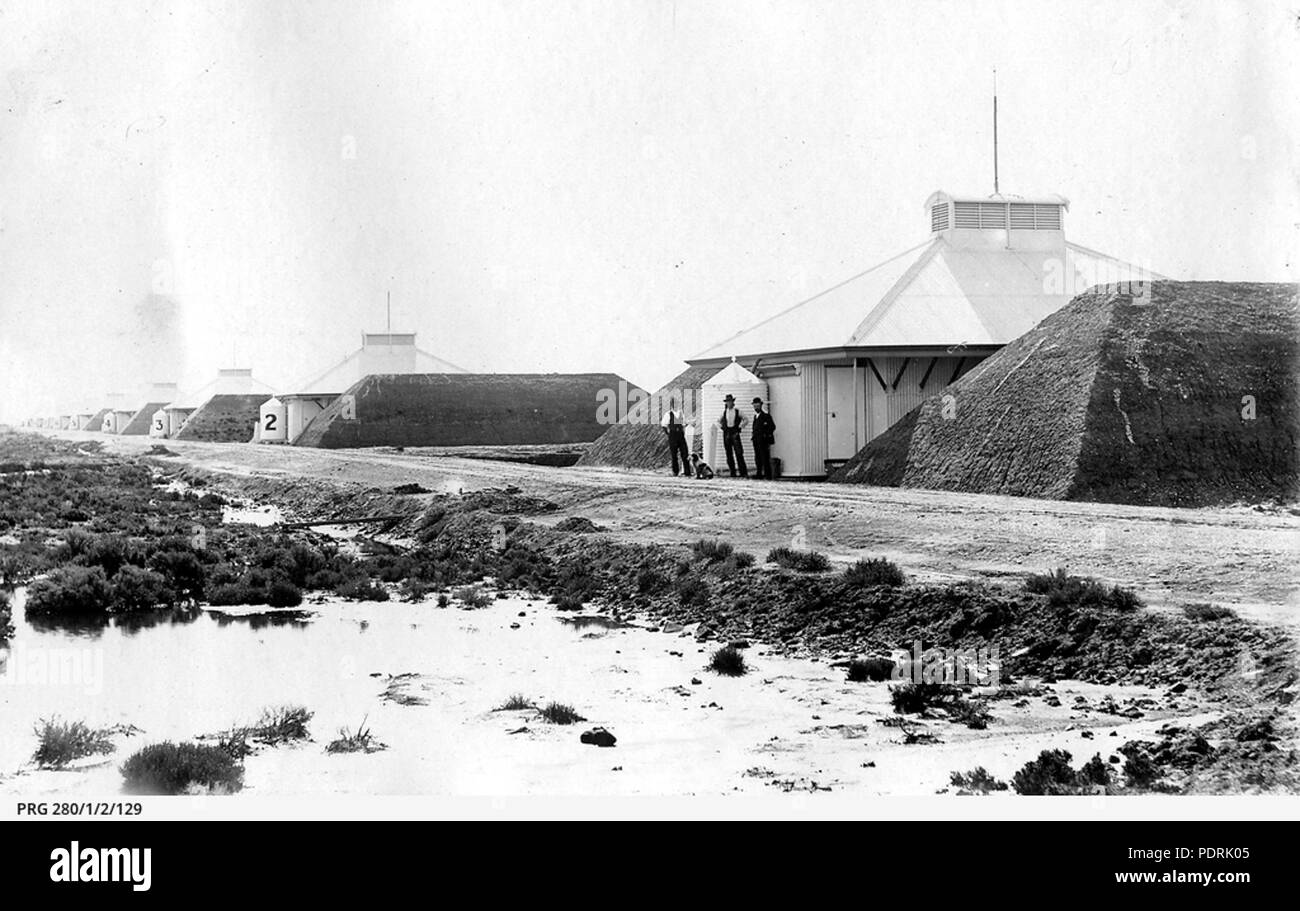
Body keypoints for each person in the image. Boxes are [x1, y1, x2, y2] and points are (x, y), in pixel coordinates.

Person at [718, 393, 749, 477]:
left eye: (730, 401)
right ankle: (733, 472)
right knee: (729, 454)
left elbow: (746, 419)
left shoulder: (737, 411)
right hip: (727, 433)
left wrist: (740, 426)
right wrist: (722, 427)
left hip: (735, 433)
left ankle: (743, 472)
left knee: (739, 453)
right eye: (727, 402)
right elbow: (718, 421)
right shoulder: (724, 412)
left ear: (733, 402)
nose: (729, 403)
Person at [660, 397, 692, 477]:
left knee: (685, 453)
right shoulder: (668, 414)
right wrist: (668, 433)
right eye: (673, 404)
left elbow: (684, 423)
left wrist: (686, 426)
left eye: (676, 404)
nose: (675, 405)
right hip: (673, 435)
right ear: (671, 405)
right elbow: (664, 424)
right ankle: (675, 471)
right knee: (674, 454)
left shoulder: (681, 413)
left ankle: (687, 471)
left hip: (680, 434)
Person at [751, 397, 776, 480]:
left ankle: (767, 474)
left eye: (757, 406)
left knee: (764, 457)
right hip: (756, 440)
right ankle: (759, 473)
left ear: (761, 405)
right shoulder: (755, 417)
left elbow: (772, 426)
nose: (756, 408)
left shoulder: (766, 416)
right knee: (757, 457)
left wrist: (766, 435)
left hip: (763, 440)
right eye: (755, 406)